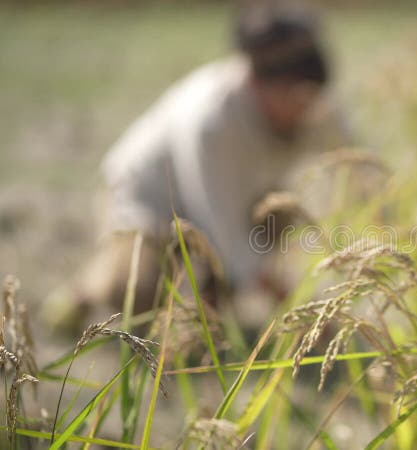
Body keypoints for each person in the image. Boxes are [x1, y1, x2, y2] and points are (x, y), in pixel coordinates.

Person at [46, 2, 353, 331]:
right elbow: (217, 221)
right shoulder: (210, 118)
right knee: (136, 292)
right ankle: (88, 289)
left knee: (278, 211)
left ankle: (210, 312)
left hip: (231, 200)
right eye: (292, 98)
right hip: (151, 204)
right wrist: (297, 302)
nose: (303, 110)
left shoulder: (311, 102)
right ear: (255, 81)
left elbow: (359, 161)